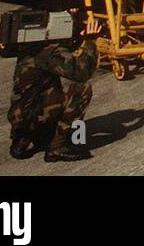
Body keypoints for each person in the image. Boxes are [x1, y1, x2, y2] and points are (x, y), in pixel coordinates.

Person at [8, 11, 101, 163]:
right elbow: (82, 72)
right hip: (34, 118)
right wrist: (90, 41)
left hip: (20, 117)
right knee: (81, 88)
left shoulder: (33, 45)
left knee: (42, 91)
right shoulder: (49, 52)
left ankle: (21, 139)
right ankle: (57, 146)